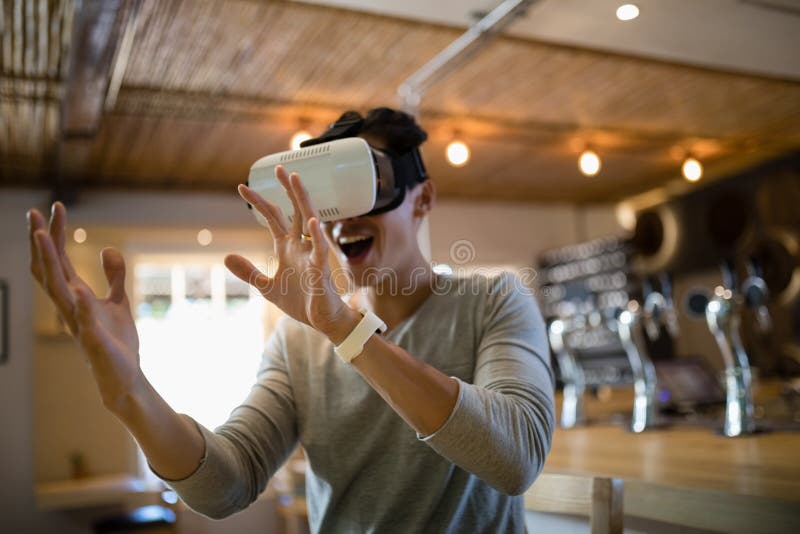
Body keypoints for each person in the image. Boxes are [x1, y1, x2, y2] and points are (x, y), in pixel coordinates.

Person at [27, 107, 555, 533]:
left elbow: (516, 459)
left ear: (424, 200)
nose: (344, 218)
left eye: (367, 188)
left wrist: (347, 332)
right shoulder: (299, 339)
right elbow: (225, 486)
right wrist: (132, 394)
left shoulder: (494, 300)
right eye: (329, 199)